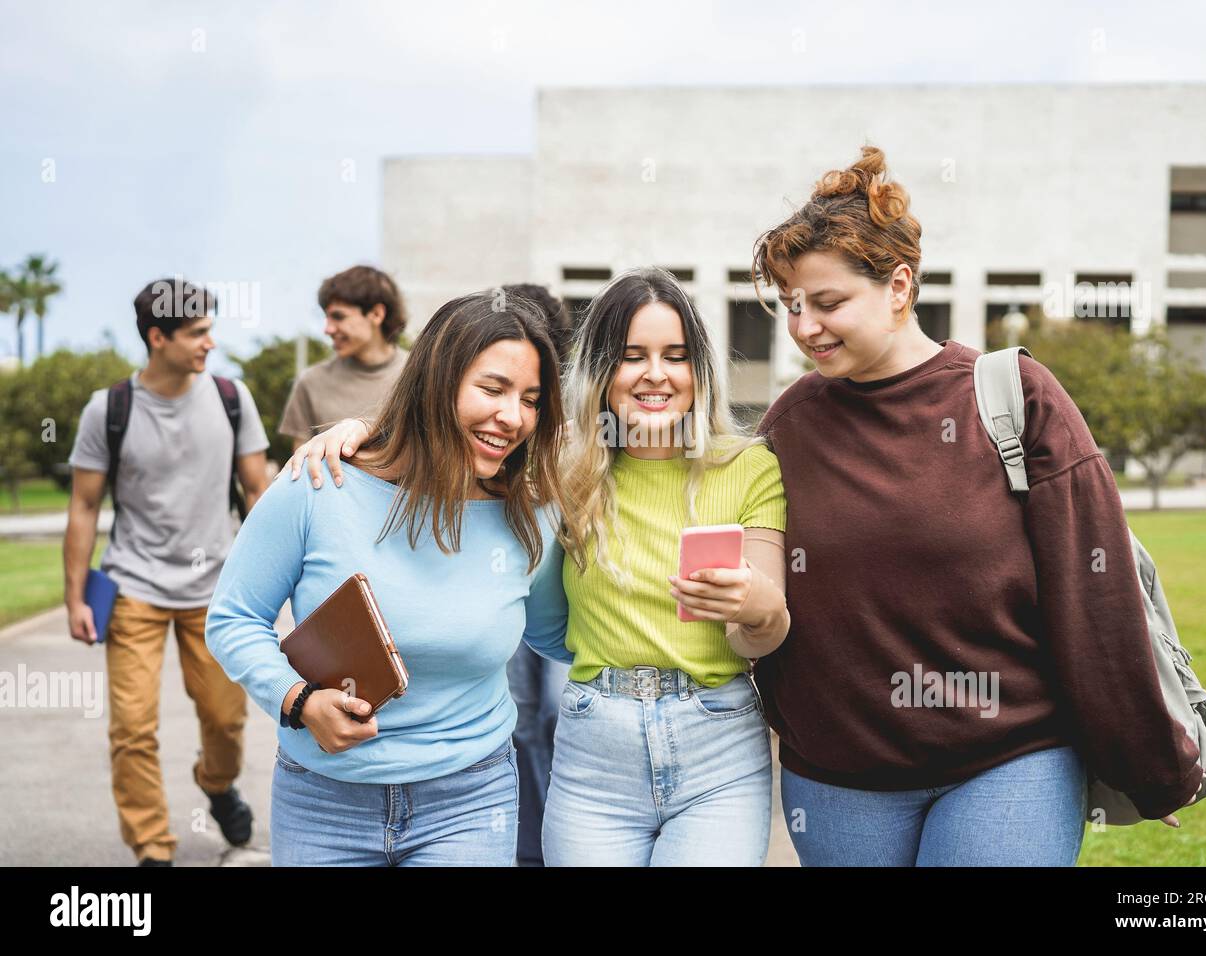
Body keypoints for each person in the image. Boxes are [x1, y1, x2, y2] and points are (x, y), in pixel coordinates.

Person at [748, 144, 1206, 866]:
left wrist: (1147, 760)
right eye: (792, 306)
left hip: (1008, 761)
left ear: (898, 286)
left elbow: (1095, 591)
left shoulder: (1014, 398)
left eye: (829, 303)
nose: (805, 326)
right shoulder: (789, 425)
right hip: (836, 780)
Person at [288, 268, 790, 866]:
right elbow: (451, 433)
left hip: (719, 740)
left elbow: (766, 629)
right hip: (595, 746)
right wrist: (362, 432)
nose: (656, 374)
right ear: (602, 371)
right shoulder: (559, 467)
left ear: (698, 371)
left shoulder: (749, 466)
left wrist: (755, 607)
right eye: (632, 356)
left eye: (675, 356)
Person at [206, 290, 573, 866]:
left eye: (530, 400)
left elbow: (563, 636)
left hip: (471, 801)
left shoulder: (530, 517)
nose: (514, 417)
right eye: (493, 389)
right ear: (437, 382)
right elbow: (233, 618)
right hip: (322, 801)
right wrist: (298, 701)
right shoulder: (318, 484)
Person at [64, 276, 271, 866]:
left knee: (226, 721)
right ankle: (153, 848)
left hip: (217, 589)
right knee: (131, 728)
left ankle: (215, 781)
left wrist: (277, 579)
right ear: (158, 338)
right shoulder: (110, 410)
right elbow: (84, 506)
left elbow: (257, 491)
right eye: (198, 332)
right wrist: (76, 596)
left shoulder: (232, 398)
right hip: (134, 586)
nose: (211, 342)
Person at [499, 283, 570, 867]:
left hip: (565, 593)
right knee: (520, 721)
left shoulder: (577, 416)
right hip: (503, 589)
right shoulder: (498, 414)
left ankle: (559, 843)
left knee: (556, 712)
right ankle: (531, 851)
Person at [277, 265, 409, 449]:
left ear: (376, 314)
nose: (328, 329)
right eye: (326, 317)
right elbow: (302, 467)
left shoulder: (421, 375)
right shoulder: (312, 382)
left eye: (338, 317)